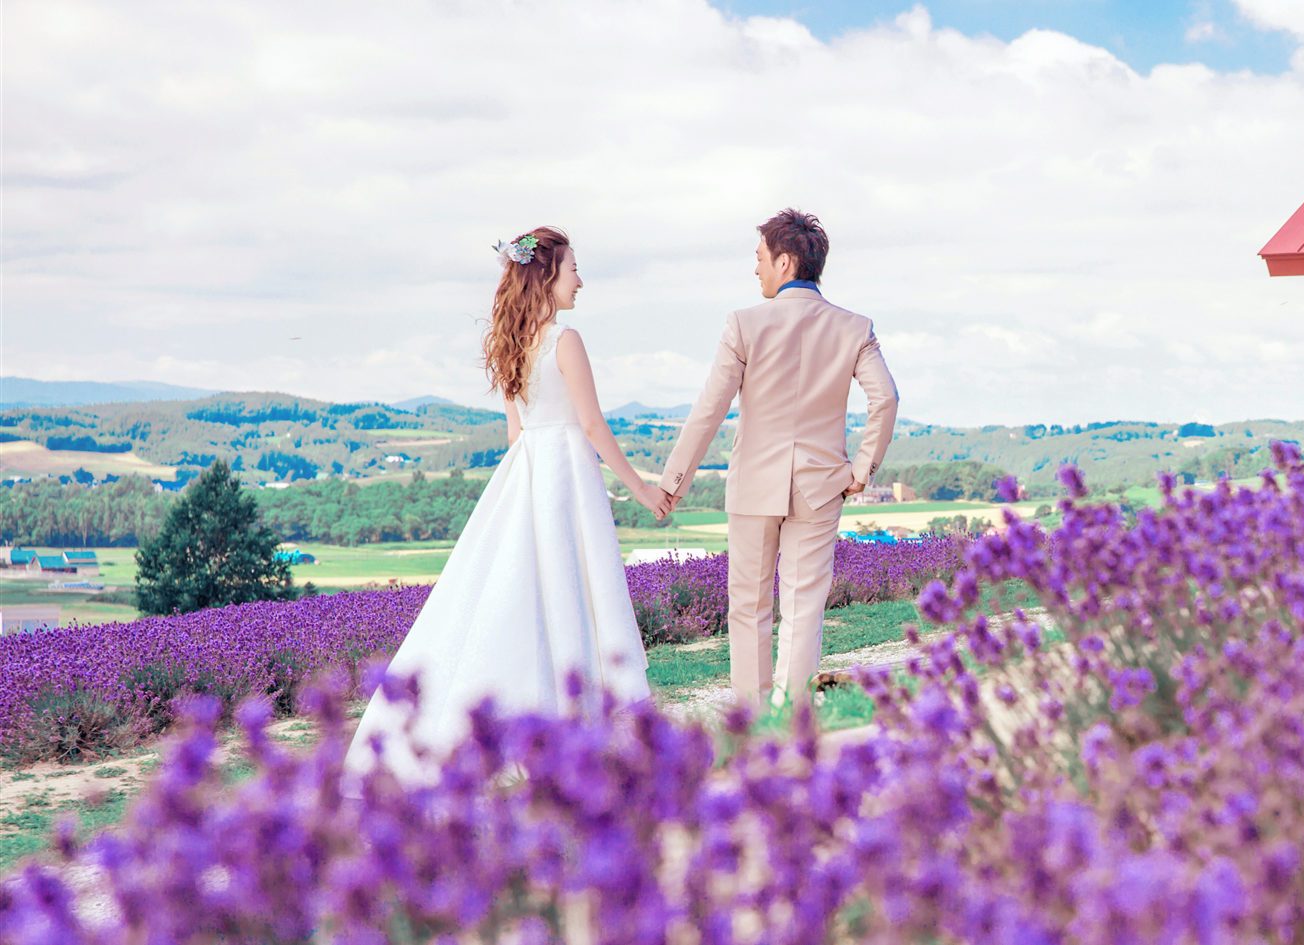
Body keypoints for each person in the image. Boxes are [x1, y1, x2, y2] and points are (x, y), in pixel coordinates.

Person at [345, 226, 666, 785]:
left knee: (525, 591)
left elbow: (516, 436)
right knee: (575, 590)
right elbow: (590, 424)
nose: (580, 282)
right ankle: (580, 719)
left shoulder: (512, 342)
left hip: (527, 475)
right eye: (573, 271)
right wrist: (643, 489)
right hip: (565, 476)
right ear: (548, 275)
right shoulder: (565, 341)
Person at [658, 209, 898, 713]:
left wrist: (675, 480)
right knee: (803, 606)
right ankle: (792, 717)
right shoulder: (854, 327)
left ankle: (753, 718)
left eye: (761, 259)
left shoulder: (743, 324)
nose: (756, 270)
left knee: (748, 607)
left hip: (753, 485)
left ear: (785, 261)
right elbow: (886, 398)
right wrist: (862, 468)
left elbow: (710, 409)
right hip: (822, 484)